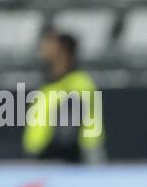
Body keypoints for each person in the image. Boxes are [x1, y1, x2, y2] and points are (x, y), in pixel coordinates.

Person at [22, 29, 106, 163]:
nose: (44, 53)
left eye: (52, 50)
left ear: (65, 54)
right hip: (41, 160)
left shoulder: (79, 84)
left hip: (69, 163)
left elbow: (67, 135)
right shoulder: (48, 86)